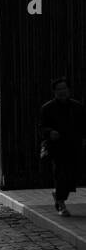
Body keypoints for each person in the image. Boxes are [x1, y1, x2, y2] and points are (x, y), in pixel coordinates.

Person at [40, 76, 86, 216]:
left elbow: (83, 125)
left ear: (69, 90)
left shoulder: (77, 107)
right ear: (54, 91)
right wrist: (50, 132)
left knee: (72, 175)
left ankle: (58, 195)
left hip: (74, 146)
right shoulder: (48, 108)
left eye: (64, 88)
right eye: (59, 89)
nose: (62, 91)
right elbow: (41, 127)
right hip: (57, 147)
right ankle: (61, 204)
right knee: (61, 174)